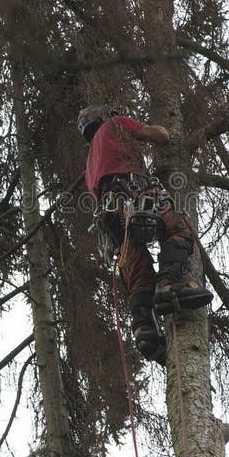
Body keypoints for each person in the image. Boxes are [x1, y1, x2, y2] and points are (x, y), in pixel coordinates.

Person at [78, 104, 213, 365]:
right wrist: (165, 130)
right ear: (103, 117)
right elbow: (160, 135)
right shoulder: (115, 125)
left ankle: (145, 330)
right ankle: (168, 286)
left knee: (135, 265)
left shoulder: (90, 163)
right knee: (178, 227)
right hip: (132, 189)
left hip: (110, 209)